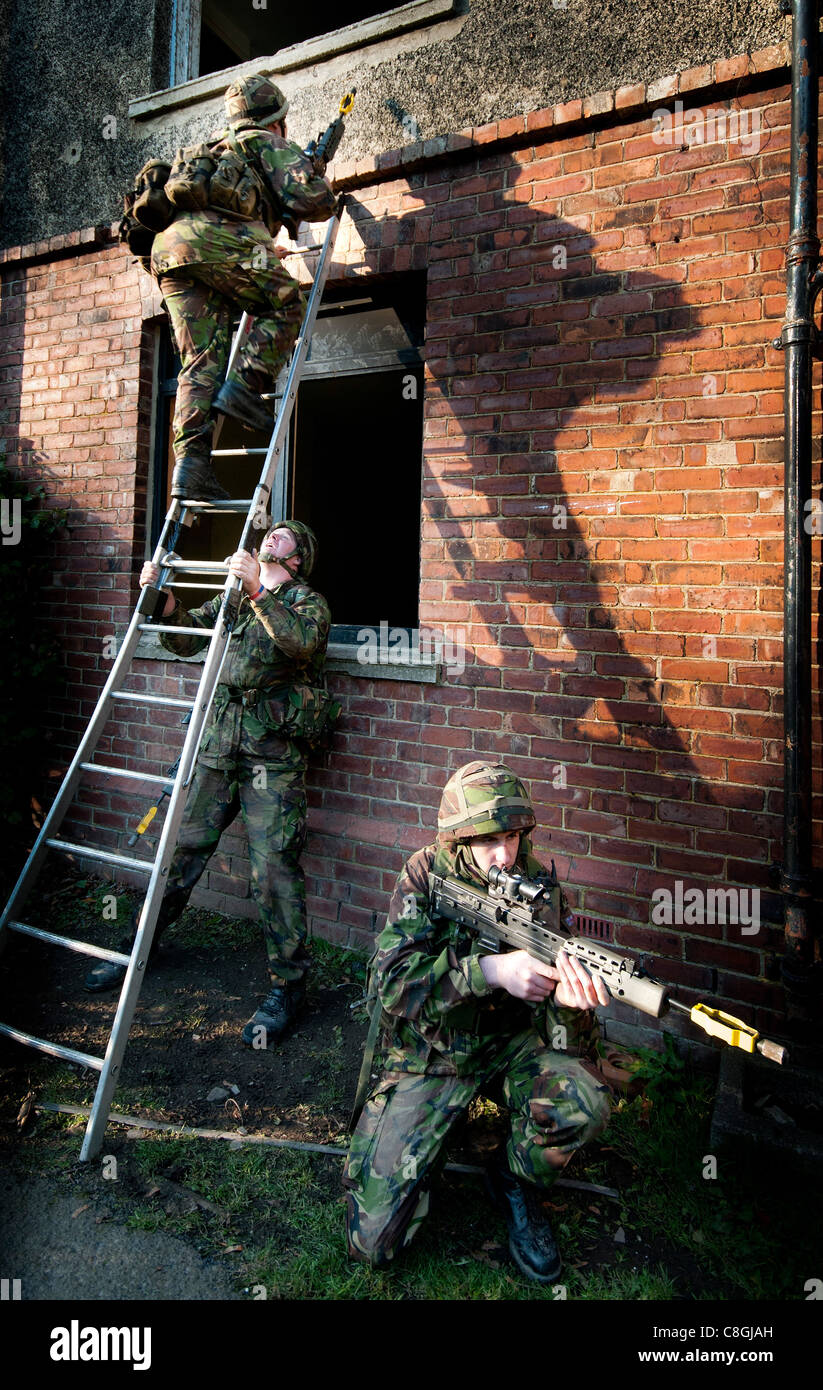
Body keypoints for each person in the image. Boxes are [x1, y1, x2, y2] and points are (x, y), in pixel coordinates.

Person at [343, 760, 612, 1283]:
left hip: (510, 1044)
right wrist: (489, 970)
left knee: (584, 1102)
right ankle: (438, 1132)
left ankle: (516, 1181)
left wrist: (568, 1006)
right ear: (460, 838)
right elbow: (392, 983)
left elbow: (566, 1042)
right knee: (370, 1242)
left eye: (512, 836)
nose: (504, 853)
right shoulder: (425, 876)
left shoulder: (539, 888)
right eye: (489, 839)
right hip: (433, 1053)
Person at [86, 521, 331, 1048]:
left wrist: (257, 592)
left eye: (283, 536)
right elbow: (182, 640)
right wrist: (161, 599)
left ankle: (287, 988)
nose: (270, 536)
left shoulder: (307, 602)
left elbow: (301, 644)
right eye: (270, 532)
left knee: (274, 871)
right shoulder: (234, 595)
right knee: (179, 851)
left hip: (274, 758)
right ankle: (136, 951)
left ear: (298, 557)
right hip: (218, 747)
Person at [150, 73, 337, 502]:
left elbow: (227, 210)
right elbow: (317, 203)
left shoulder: (213, 149)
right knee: (287, 303)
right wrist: (312, 170)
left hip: (171, 252)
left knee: (198, 361)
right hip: (221, 244)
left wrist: (264, 248)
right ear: (277, 121)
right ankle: (246, 388)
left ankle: (190, 469)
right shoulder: (262, 140)